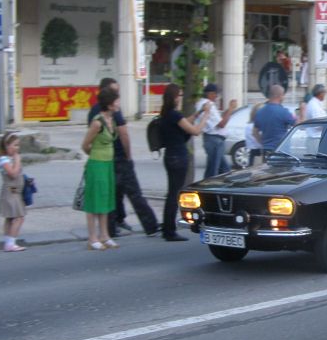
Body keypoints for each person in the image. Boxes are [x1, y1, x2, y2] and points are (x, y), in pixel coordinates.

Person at [89, 78, 159, 237]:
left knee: (112, 194)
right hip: (119, 158)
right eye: (115, 92)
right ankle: (151, 225)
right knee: (134, 193)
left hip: (104, 159)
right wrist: (128, 156)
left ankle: (111, 229)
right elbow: (124, 133)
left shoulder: (93, 111)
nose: (118, 96)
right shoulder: (113, 112)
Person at [159, 83, 210, 241]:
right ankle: (169, 231)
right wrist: (206, 115)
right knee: (175, 194)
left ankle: (167, 227)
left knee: (171, 193)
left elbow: (185, 122)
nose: (181, 98)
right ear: (175, 98)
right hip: (178, 157)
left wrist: (198, 113)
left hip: (170, 156)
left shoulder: (167, 114)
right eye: (180, 95)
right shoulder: (174, 115)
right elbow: (194, 131)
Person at [81, 86, 120, 250]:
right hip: (97, 164)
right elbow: (85, 145)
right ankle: (92, 237)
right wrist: (95, 156)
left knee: (105, 198)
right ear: (110, 104)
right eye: (116, 101)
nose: (119, 104)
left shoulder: (113, 120)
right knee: (93, 200)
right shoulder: (97, 123)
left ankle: (104, 235)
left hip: (108, 164)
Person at [195, 82, 239, 178]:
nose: (217, 96)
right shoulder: (208, 105)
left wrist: (228, 110)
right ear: (210, 94)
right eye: (216, 94)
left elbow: (219, 119)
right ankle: (207, 189)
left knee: (224, 170)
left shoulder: (203, 104)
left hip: (213, 139)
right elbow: (221, 124)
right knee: (213, 170)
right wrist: (231, 109)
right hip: (214, 140)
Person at [0, 133, 27, 252]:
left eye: (18, 145)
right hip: (11, 191)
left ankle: (8, 242)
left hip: (14, 190)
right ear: (6, 145)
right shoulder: (4, 159)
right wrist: (18, 160)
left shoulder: (8, 158)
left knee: (11, 217)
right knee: (18, 217)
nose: (17, 148)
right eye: (14, 145)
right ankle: (10, 243)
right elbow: (13, 174)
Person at [254, 83, 295, 157]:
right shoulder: (283, 112)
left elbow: (255, 132)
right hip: (281, 151)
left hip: (266, 151)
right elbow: (297, 124)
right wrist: (303, 112)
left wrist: (263, 143)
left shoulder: (260, 112)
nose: (283, 97)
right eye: (283, 95)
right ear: (279, 96)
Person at [244, 101, 264, 166]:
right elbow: (259, 141)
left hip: (253, 153)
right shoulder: (255, 126)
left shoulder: (249, 125)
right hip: (258, 153)